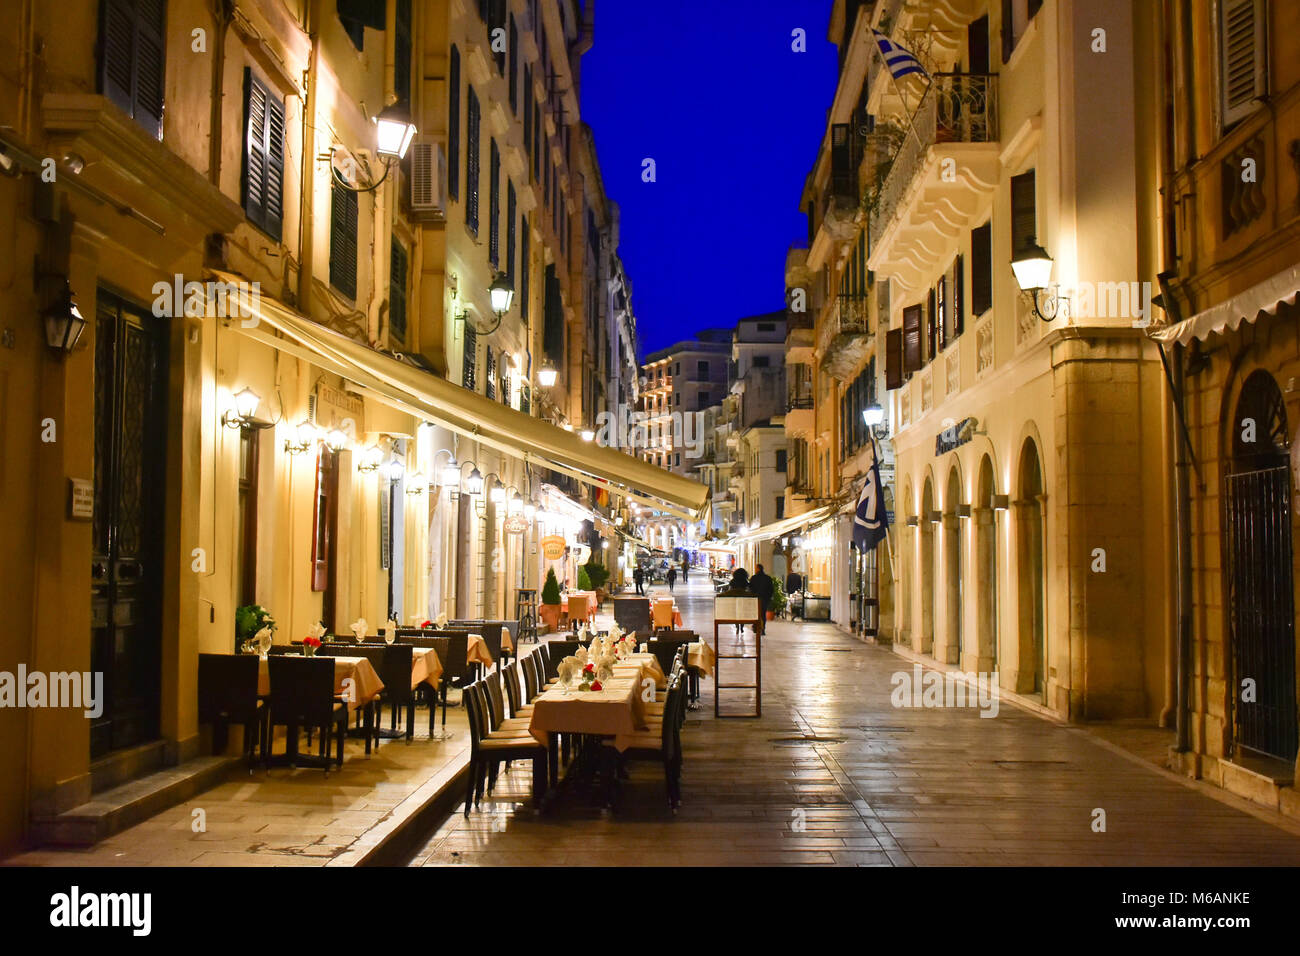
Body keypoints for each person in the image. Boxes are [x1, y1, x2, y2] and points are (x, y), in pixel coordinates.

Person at [750, 564, 774, 636]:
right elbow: (771, 589)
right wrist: (768, 597)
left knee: (755, 613)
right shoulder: (768, 578)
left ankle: (756, 627)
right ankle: (763, 629)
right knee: (763, 614)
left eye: (756, 568)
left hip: (756, 598)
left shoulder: (754, 578)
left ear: (758, 569)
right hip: (765, 599)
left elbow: (751, 588)